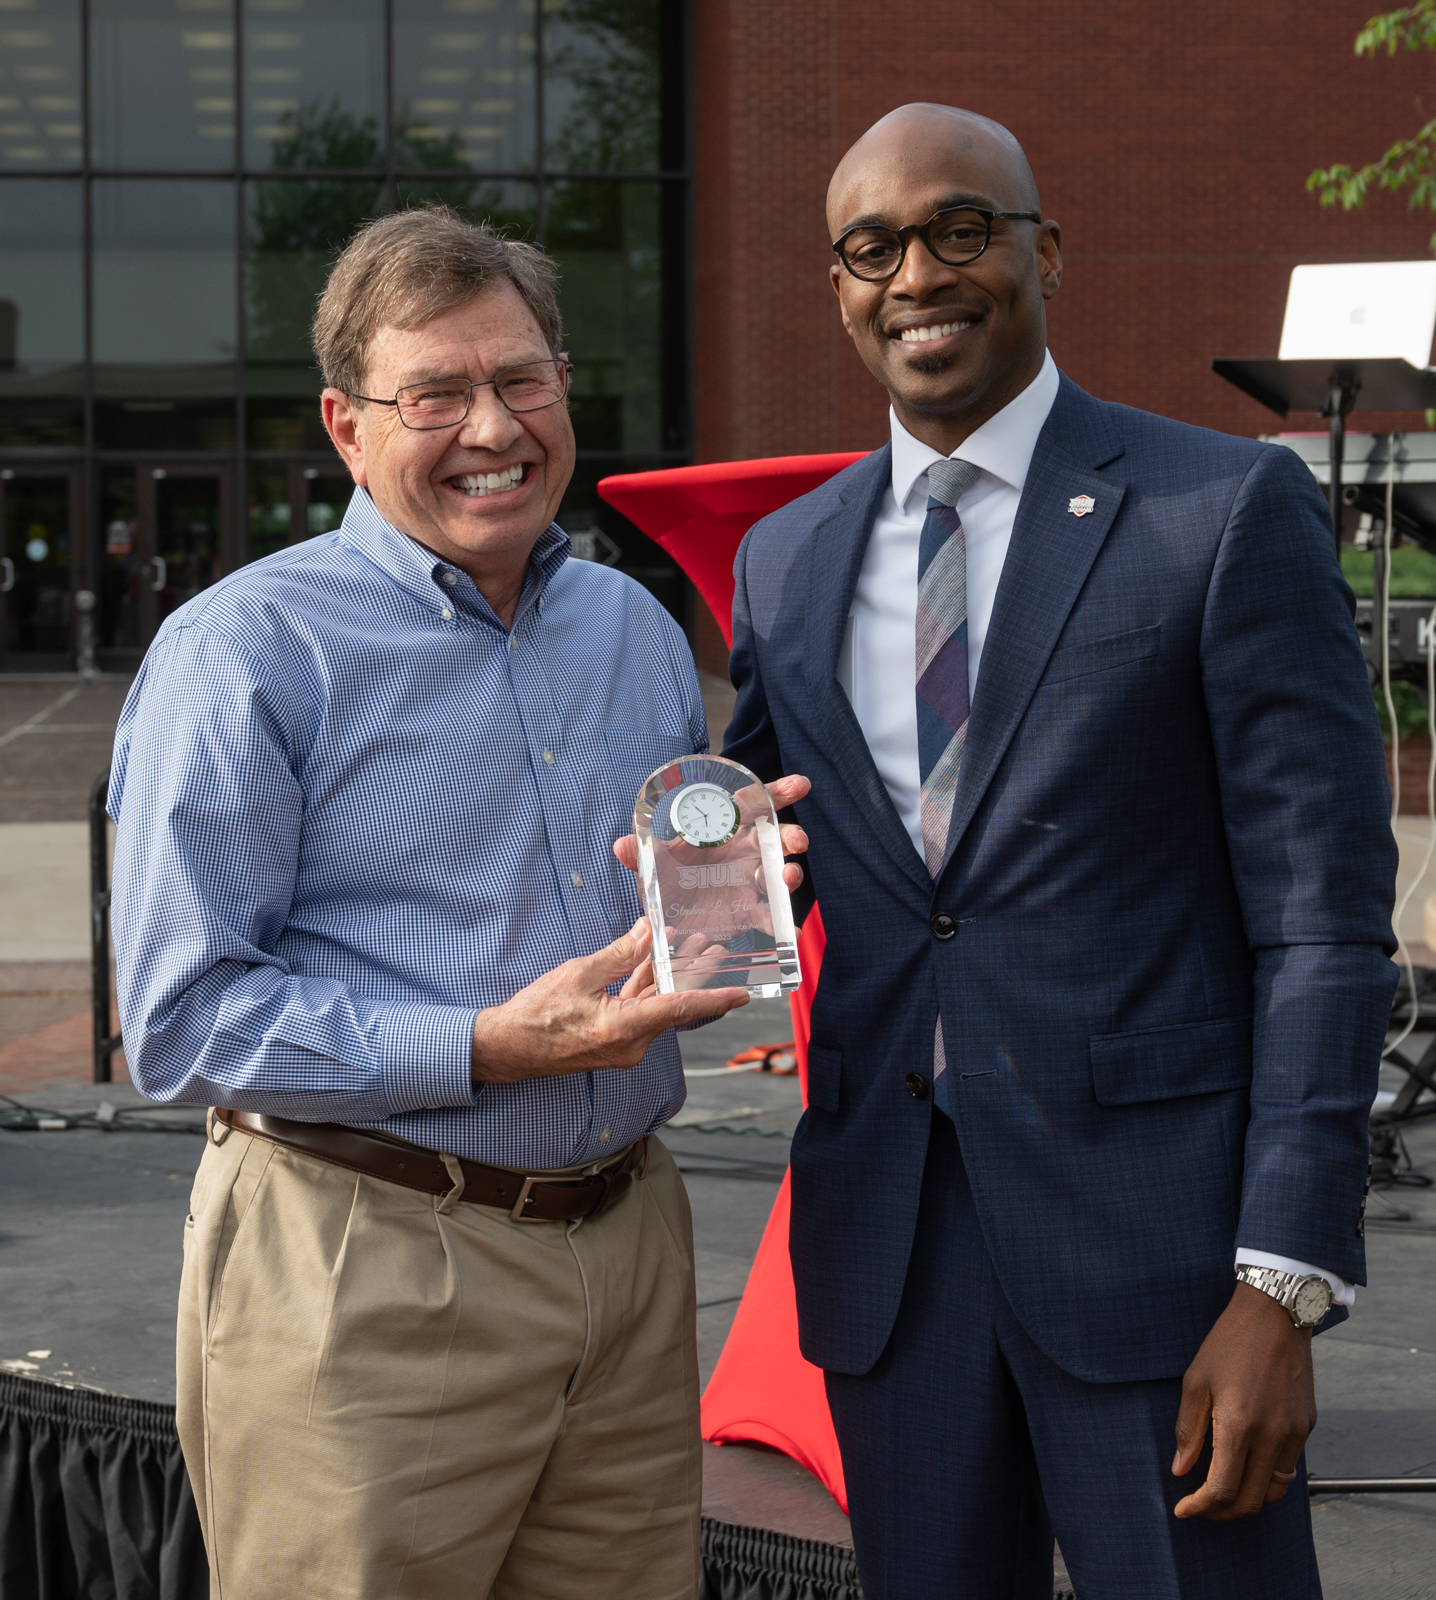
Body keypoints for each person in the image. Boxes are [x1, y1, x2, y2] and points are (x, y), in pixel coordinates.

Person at [723, 104, 1397, 1599]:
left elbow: (1324, 929)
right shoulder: (787, 561)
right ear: (836, 286)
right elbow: (803, 861)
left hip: (1168, 1266)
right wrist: (698, 874)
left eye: (961, 228)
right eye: (871, 246)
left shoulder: (1220, 512)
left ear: (1046, 251)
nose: (917, 273)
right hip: (894, 1264)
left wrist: (1280, 1283)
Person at [108, 205, 802, 1600]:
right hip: (366, 1259)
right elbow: (179, 1018)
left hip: (632, 1250)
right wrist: (488, 1044)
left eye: (521, 379)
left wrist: (730, 894)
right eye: (435, 393)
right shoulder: (245, 653)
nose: (491, 426)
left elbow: (661, 884)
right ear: (346, 427)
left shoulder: (631, 624)